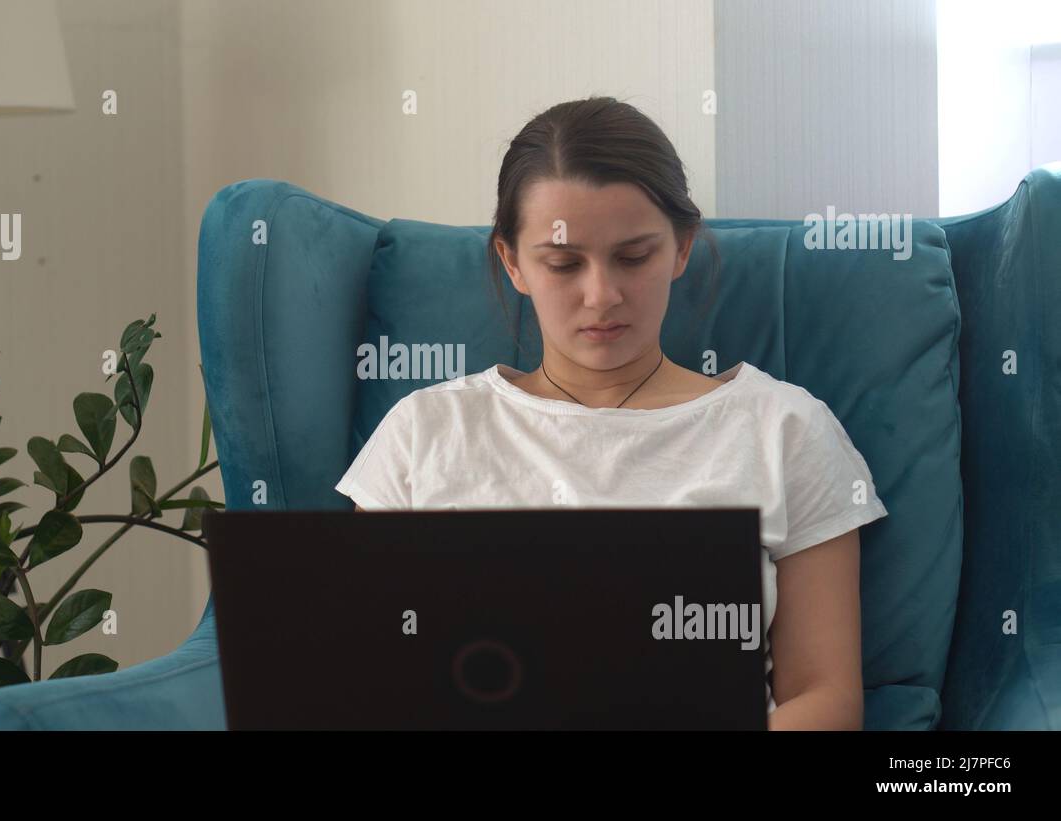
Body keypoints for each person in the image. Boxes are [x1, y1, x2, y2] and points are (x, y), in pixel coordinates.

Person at [335, 96, 888, 730]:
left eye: (634, 257)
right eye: (564, 263)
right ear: (512, 262)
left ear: (681, 249)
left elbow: (826, 698)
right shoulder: (425, 431)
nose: (602, 296)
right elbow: (367, 676)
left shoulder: (784, 430)